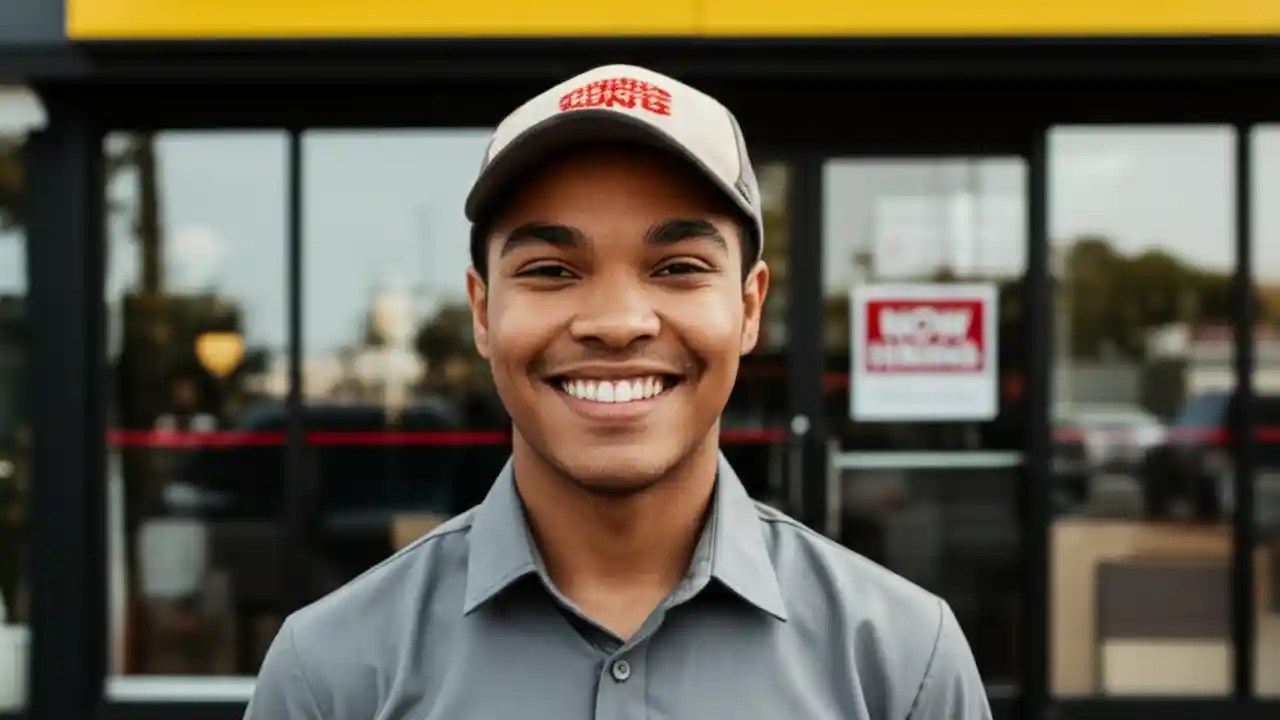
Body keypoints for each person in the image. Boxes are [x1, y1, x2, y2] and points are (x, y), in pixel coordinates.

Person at [244, 63, 992, 719]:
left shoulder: (899, 663)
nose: (616, 322)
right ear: (482, 311)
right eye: (550, 271)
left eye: (677, 267)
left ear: (750, 307)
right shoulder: (333, 673)